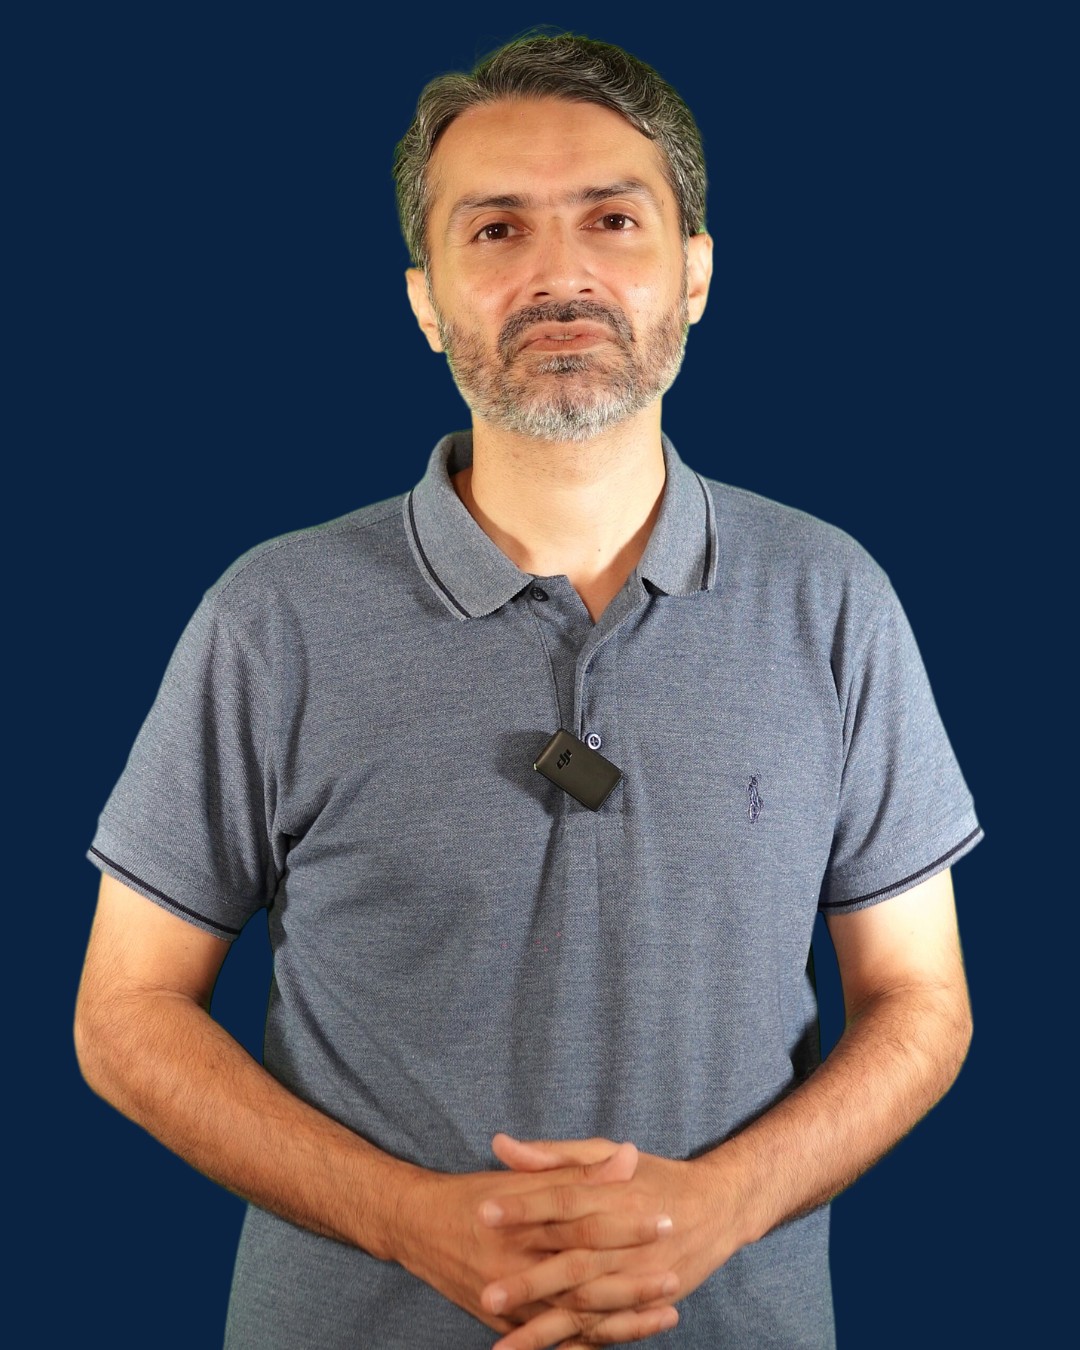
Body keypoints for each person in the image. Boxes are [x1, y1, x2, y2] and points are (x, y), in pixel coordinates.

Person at [75, 32, 981, 1350]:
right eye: (495, 229)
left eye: (613, 220)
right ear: (426, 299)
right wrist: (404, 1218)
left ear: (696, 271)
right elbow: (124, 1013)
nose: (559, 273)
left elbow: (921, 1000)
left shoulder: (833, 599)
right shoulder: (271, 616)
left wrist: (723, 1205)